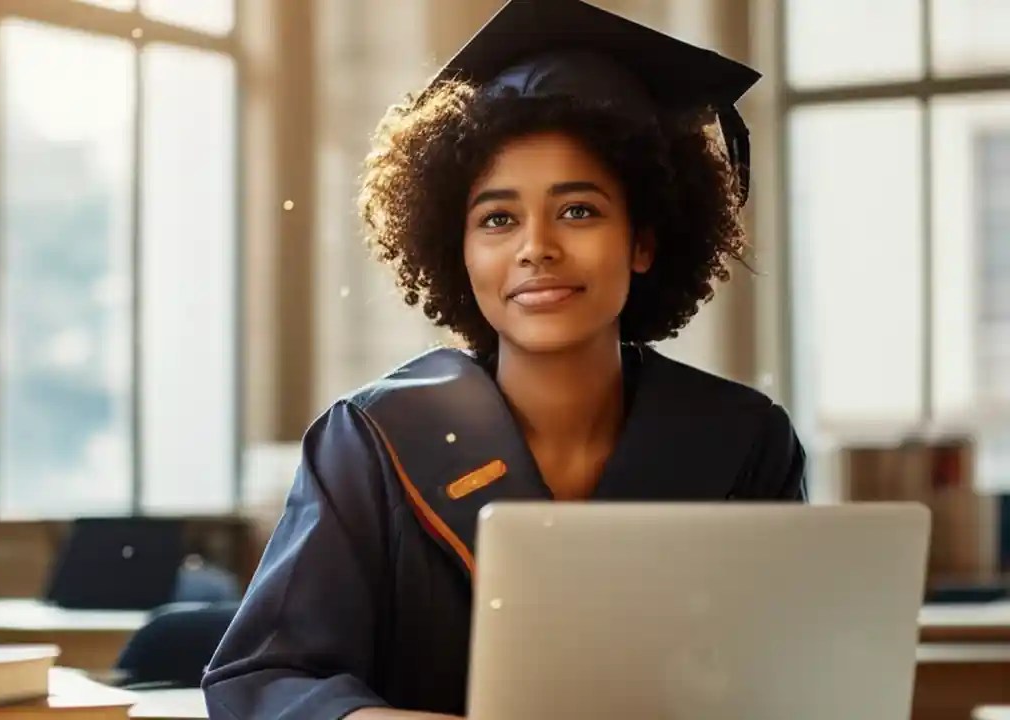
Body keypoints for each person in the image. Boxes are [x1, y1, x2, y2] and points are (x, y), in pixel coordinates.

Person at [202, 0, 806, 717]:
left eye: (579, 210)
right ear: (456, 250)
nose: (536, 247)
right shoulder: (369, 441)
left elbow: (786, 679)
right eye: (497, 218)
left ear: (644, 242)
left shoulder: (742, 441)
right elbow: (268, 678)